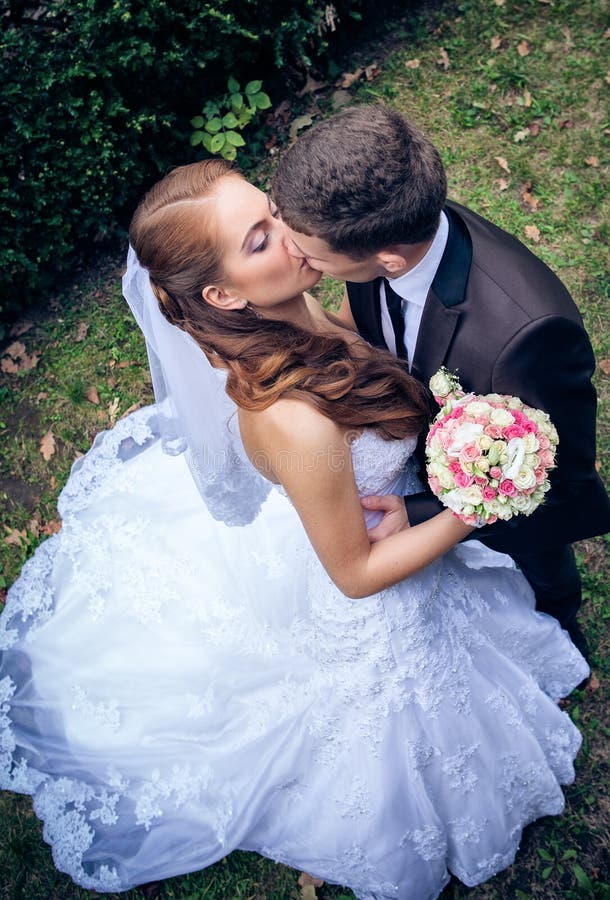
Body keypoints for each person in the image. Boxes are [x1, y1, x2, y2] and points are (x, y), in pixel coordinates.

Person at [0, 159, 589, 899]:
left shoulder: (298, 305)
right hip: (370, 585)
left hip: (374, 514)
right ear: (222, 294)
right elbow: (355, 578)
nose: (291, 236)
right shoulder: (296, 423)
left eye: (271, 212)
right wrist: (474, 503)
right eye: (259, 240)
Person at [272, 103, 610, 649]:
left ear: (388, 259)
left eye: (312, 254)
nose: (294, 256)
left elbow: (555, 477)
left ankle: (560, 633)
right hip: (423, 446)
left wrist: (425, 510)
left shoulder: (527, 337)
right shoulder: (385, 221)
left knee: (542, 569)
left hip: (512, 515)